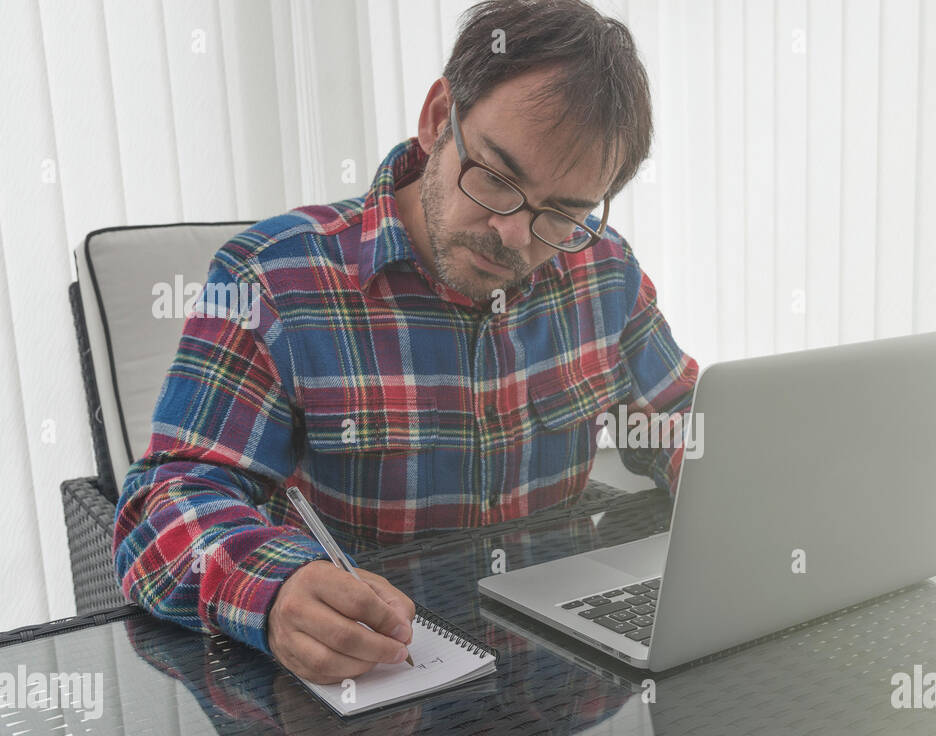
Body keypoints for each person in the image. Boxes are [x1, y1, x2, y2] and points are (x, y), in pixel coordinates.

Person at [113, 0, 697, 685]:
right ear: (436, 118)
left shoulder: (603, 271)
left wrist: (719, 477)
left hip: (558, 676)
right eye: (497, 179)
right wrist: (276, 589)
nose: (513, 235)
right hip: (373, 701)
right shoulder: (271, 282)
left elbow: (676, 419)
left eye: (562, 213)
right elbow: (162, 508)